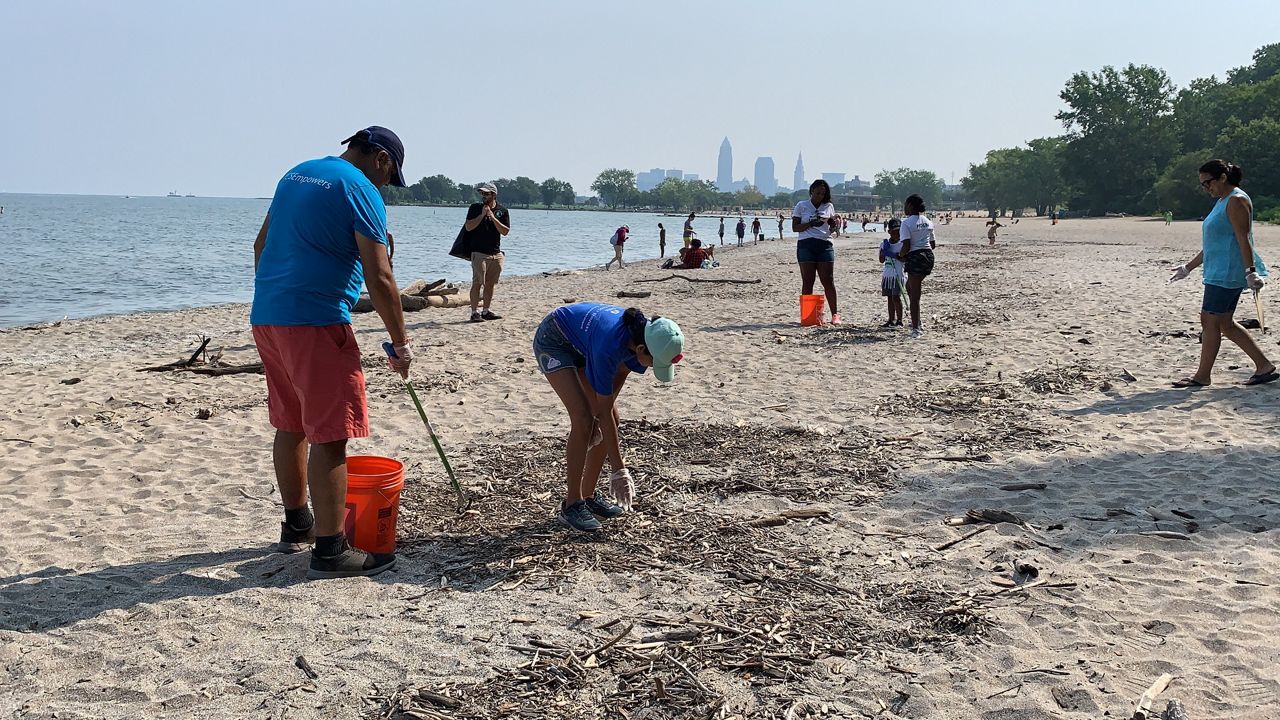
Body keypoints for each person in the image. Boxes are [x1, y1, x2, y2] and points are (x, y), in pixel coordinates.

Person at [250, 125, 410, 579]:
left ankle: (297, 524)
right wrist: (400, 343)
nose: (385, 186)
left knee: (291, 423)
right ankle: (329, 548)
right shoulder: (361, 189)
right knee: (331, 433)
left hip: (268, 315)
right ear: (380, 158)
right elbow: (379, 277)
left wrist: (279, 296)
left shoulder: (296, 173)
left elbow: (261, 246)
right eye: (389, 175)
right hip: (317, 322)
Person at [531, 303, 685, 532]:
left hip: (583, 344)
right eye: (654, 362)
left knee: (611, 417)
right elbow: (600, 410)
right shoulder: (610, 346)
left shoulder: (639, 334)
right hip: (554, 340)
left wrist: (602, 412)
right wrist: (619, 470)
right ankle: (571, 504)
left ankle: (588, 495)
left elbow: (619, 375)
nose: (653, 368)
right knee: (583, 419)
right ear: (642, 349)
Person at [1169, 159, 1276, 387]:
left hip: (1228, 272)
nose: (1206, 188)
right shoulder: (1221, 201)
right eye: (1202, 185)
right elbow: (1213, 244)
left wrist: (1251, 272)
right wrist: (1188, 267)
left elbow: (1243, 237)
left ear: (1223, 178)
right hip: (1217, 270)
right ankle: (1264, 366)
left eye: (1208, 183)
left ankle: (1202, 376)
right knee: (1225, 324)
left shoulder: (1236, 200)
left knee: (1209, 320)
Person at [791, 179, 840, 325]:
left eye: (823, 193)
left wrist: (833, 225)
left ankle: (835, 315)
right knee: (808, 280)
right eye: (817, 193)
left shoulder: (828, 206)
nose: (820, 196)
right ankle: (808, 315)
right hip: (806, 244)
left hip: (824, 244)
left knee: (828, 280)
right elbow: (795, 227)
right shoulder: (801, 206)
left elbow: (831, 226)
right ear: (812, 191)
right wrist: (811, 223)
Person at [463, 182, 511, 322]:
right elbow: (469, 227)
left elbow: (505, 231)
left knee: (490, 284)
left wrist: (493, 217)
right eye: (482, 193)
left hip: (496, 253)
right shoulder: (475, 208)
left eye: (486, 193)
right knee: (477, 282)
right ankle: (474, 312)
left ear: (494, 195)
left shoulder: (502, 211)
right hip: (478, 253)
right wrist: (482, 215)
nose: (483, 196)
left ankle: (486, 310)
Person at [899, 194, 936, 338]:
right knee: (910, 287)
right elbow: (932, 244)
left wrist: (901, 256)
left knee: (915, 295)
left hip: (915, 257)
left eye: (905, 205)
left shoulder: (906, 223)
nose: (904, 208)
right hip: (928, 256)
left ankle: (916, 327)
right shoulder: (928, 221)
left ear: (910, 206)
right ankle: (917, 320)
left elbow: (906, 245)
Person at [880, 218, 906, 327]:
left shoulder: (903, 244)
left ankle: (899, 320)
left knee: (896, 297)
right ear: (889, 231)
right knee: (889, 298)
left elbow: (904, 259)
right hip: (887, 274)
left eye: (899, 231)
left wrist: (894, 254)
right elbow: (881, 260)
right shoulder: (884, 243)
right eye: (894, 231)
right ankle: (891, 319)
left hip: (898, 274)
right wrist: (884, 251)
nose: (897, 234)